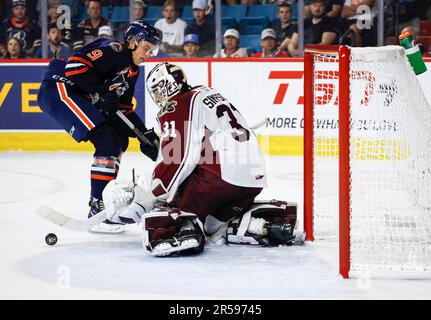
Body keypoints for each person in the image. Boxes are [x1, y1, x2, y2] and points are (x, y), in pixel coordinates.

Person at [102, 62, 301, 257]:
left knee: (174, 209)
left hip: (220, 177)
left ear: (168, 85)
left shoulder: (176, 104)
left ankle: (184, 230)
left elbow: (179, 158)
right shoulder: (207, 93)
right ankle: (262, 226)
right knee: (213, 228)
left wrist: (154, 193)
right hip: (252, 178)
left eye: (158, 90)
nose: (157, 97)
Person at [37, 20, 162, 233]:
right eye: (146, 48)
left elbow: (123, 109)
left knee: (118, 141)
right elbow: (74, 66)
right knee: (106, 140)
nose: (149, 53)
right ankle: (97, 210)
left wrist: (144, 136)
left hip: (81, 95)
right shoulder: (114, 50)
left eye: (152, 50)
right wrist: (100, 92)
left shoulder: (133, 72)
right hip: (61, 87)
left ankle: (105, 209)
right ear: (132, 42)